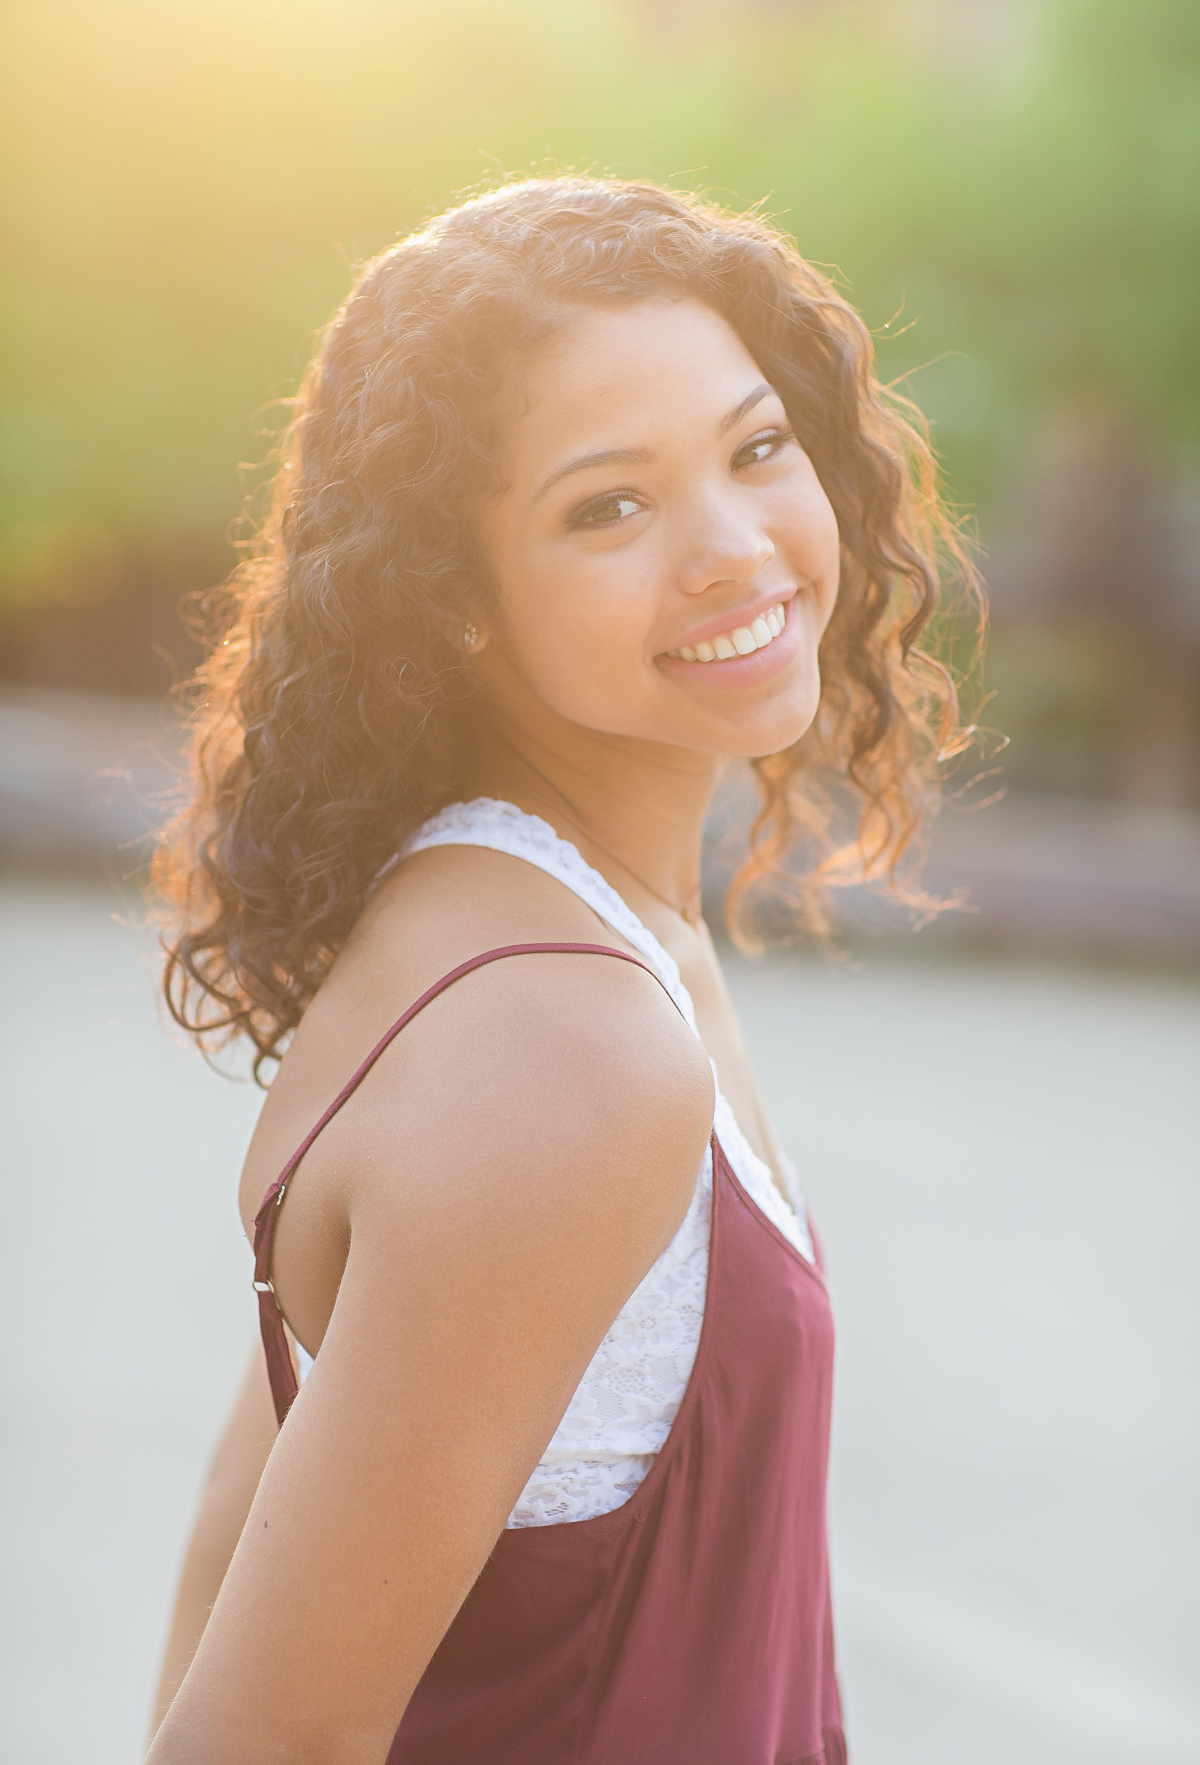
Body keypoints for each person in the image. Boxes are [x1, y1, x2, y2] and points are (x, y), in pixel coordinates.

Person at [147, 176, 975, 1764]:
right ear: (455, 601)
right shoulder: (565, 1044)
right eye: (609, 507)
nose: (733, 547)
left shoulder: (539, 933)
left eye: (756, 448)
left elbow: (231, 1534)